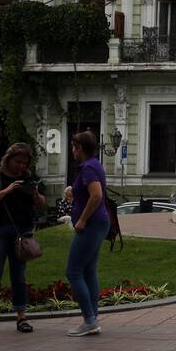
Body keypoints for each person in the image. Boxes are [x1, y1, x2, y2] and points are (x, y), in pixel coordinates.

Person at [0, 142, 44, 335]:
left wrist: (35, 194)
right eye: (17, 162)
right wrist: (7, 191)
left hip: (22, 232)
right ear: (8, 159)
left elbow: (41, 203)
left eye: (24, 163)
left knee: (19, 276)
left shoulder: (29, 178)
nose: (21, 166)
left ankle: (22, 317)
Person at [67, 131, 112, 336]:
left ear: (79, 148)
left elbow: (96, 196)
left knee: (74, 271)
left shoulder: (88, 167)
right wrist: (73, 192)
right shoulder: (94, 165)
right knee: (88, 271)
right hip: (99, 223)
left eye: (73, 146)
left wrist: (83, 220)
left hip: (91, 225)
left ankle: (89, 320)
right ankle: (92, 317)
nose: (72, 150)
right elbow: (90, 194)